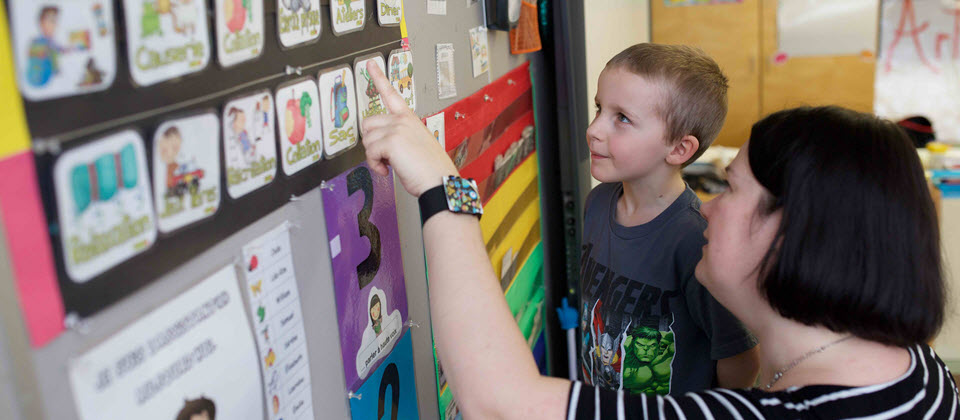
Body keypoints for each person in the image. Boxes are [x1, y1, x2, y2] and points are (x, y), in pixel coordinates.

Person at [360, 59, 959, 418]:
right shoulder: (915, 369)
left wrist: (443, 186)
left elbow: (497, 402)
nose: (711, 210)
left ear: (790, 233)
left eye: (729, 189)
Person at [580, 43, 758, 394]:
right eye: (599, 108)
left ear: (679, 149)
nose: (594, 129)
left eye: (622, 118)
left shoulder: (696, 239)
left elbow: (742, 358)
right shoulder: (598, 202)